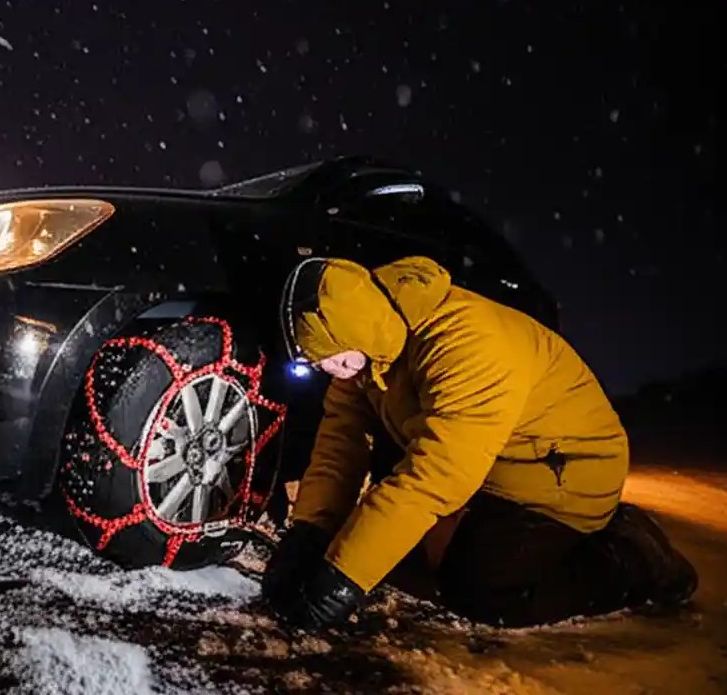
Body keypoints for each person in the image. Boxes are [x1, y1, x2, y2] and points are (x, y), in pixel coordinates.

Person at [263, 255, 697, 629]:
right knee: (385, 552)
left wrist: (341, 580)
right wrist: (309, 534)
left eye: (334, 358)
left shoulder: (466, 343)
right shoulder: (363, 357)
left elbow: (435, 475)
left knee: (480, 589)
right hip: (491, 466)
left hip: (563, 474)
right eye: (320, 365)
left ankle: (631, 557)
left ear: (363, 331)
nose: (331, 371)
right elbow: (342, 448)